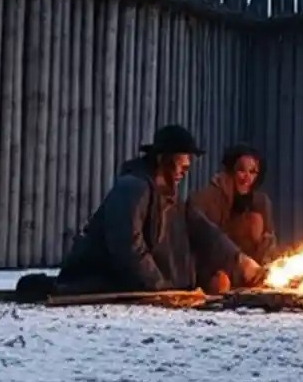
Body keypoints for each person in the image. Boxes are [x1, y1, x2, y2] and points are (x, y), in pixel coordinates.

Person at [17, 125, 264, 300]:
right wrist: (161, 288)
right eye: (181, 161)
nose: (186, 168)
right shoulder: (134, 187)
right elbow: (127, 247)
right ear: (163, 159)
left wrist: (241, 263)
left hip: (136, 279)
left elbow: (204, 231)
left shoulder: (168, 195)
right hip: (102, 275)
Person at [189, 143, 278, 264]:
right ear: (231, 171)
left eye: (252, 172)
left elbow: (269, 241)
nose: (246, 178)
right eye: (241, 170)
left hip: (253, 266)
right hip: (218, 264)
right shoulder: (214, 194)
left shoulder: (261, 201)